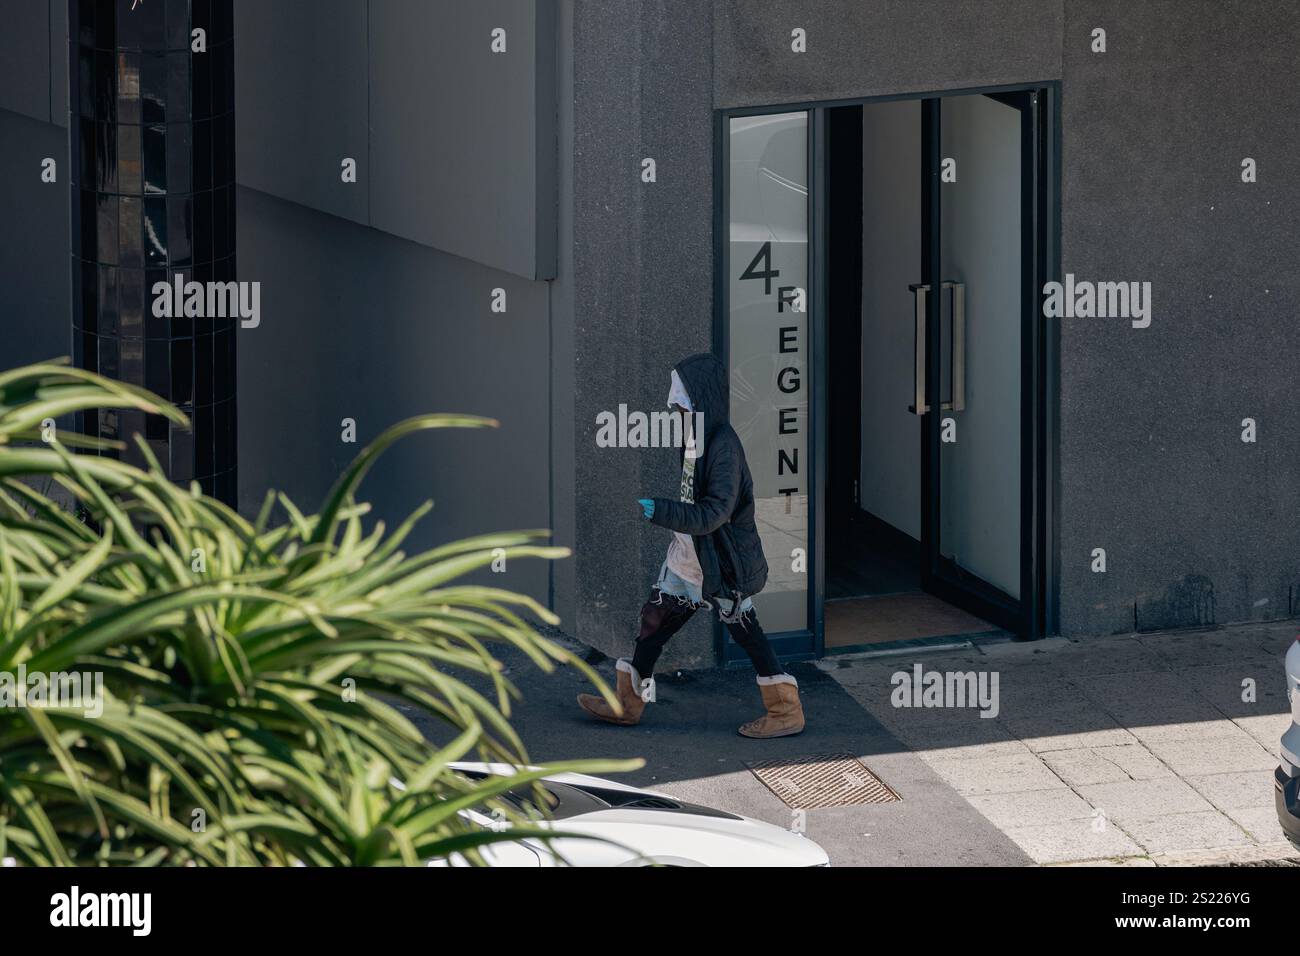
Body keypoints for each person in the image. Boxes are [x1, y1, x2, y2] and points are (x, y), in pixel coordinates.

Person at [577, 353, 805, 738]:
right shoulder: (697, 437)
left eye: (681, 401)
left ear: (700, 400)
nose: (674, 407)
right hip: (689, 557)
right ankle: (627, 704)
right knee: (653, 621)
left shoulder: (723, 447)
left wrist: (660, 511)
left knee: (746, 630)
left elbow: (714, 513)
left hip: (720, 562)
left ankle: (785, 710)